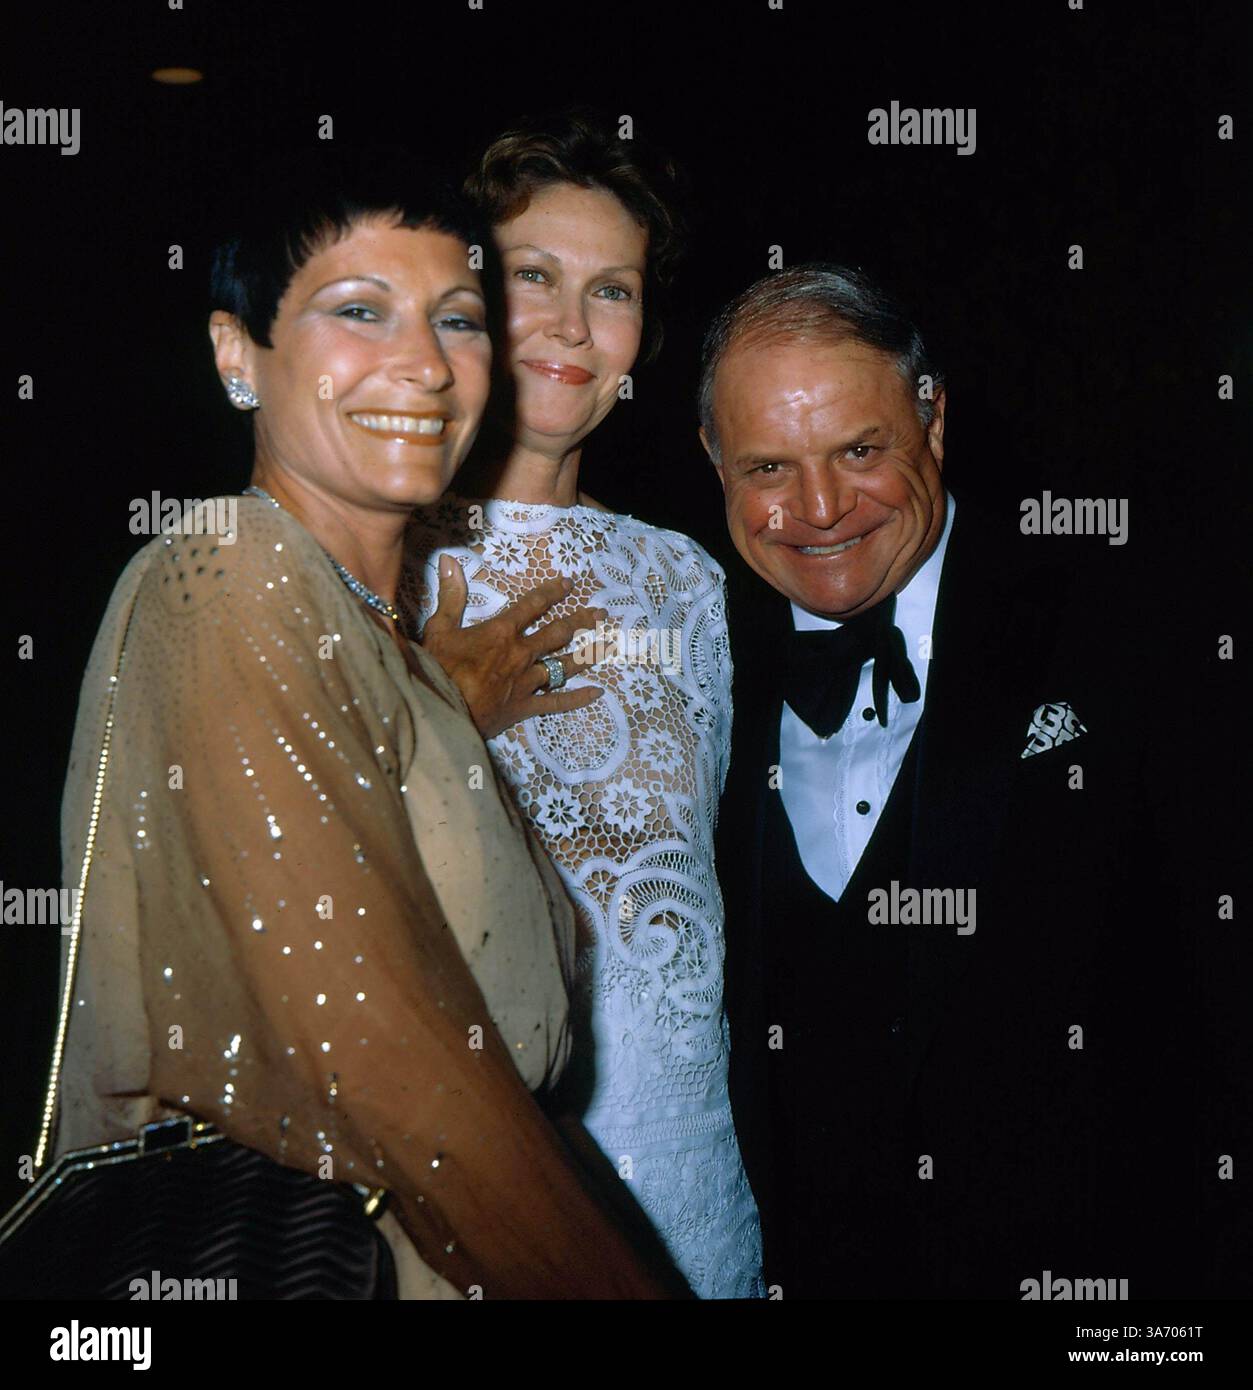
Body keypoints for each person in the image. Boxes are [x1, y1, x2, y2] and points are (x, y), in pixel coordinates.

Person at [50, 149, 682, 1300]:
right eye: (359, 310)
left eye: (456, 318)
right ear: (237, 355)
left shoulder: (385, 643)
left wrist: (434, 713)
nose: (424, 365)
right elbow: (387, 1066)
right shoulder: (225, 576)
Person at [701, 262, 1241, 1298]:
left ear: (932, 421)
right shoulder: (696, 666)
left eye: (859, 451)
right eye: (767, 467)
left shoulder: (1132, 621)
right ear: (712, 459)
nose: (817, 510)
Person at [401, 112, 764, 1298]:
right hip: (468, 1179)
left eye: (608, 291)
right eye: (530, 280)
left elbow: (702, 894)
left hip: (688, 1181)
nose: (566, 324)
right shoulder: (375, 556)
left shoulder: (690, 580)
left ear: (640, 338)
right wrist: (427, 720)